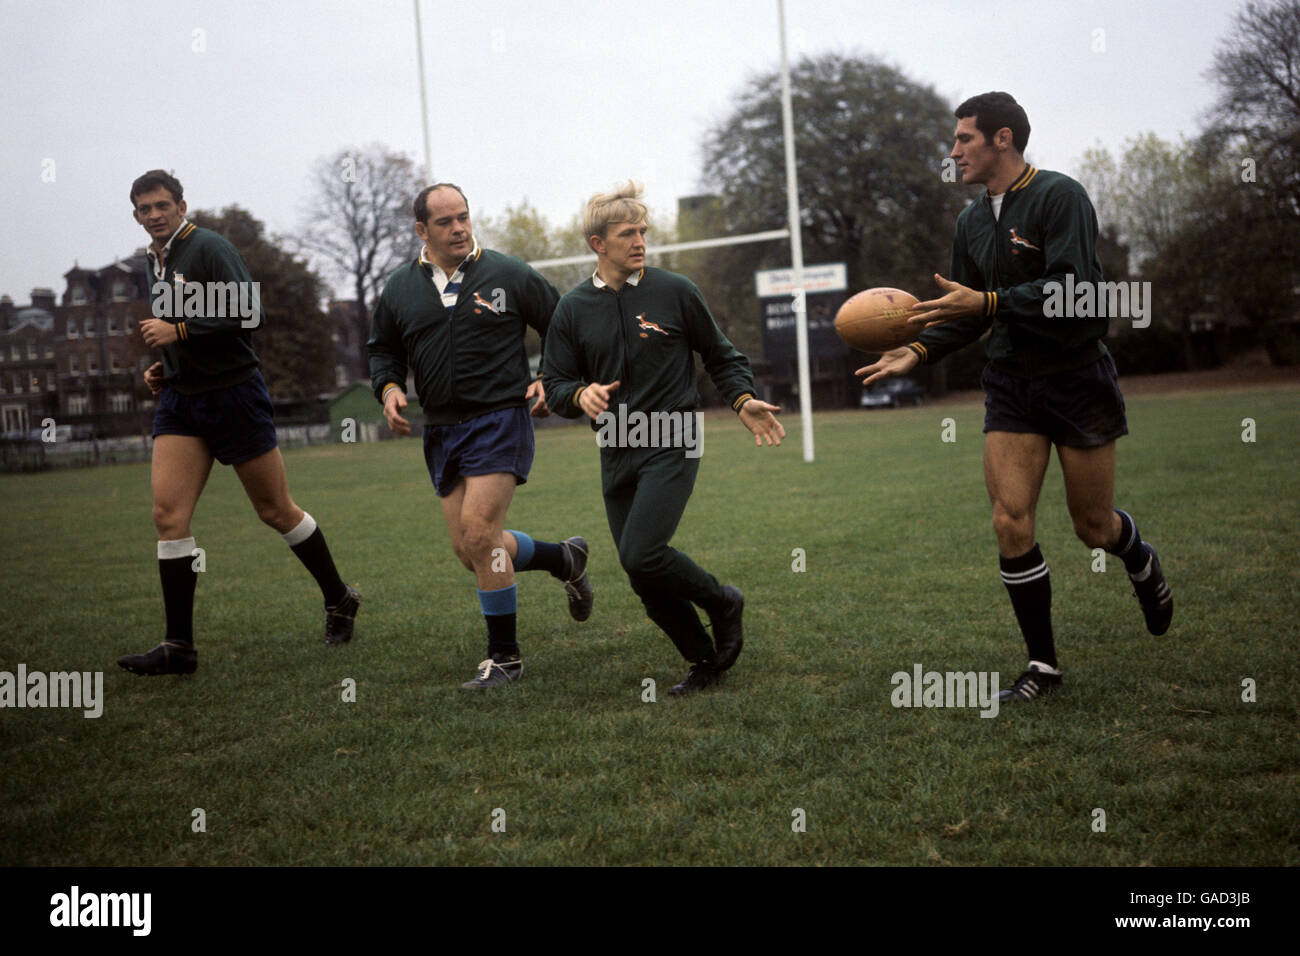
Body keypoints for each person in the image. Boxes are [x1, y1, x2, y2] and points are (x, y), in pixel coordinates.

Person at [858, 92, 1173, 703]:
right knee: (1010, 520)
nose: (953, 152)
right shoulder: (970, 222)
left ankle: (1138, 556)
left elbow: (1078, 292)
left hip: (1076, 376)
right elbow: (965, 312)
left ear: (1003, 138)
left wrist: (992, 303)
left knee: (1091, 526)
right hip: (1010, 383)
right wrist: (916, 351)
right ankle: (1044, 667)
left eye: (963, 140)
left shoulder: (1060, 196)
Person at [542, 182, 784, 695]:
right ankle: (703, 662)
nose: (639, 242)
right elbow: (556, 383)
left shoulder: (675, 290)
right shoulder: (572, 308)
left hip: (673, 436)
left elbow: (721, 355)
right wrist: (578, 394)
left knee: (642, 554)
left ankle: (723, 601)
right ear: (596, 244)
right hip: (615, 447)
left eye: (642, 232)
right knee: (641, 575)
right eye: (626, 234)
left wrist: (742, 400)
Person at [118, 170, 359, 677]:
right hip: (182, 401)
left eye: (163, 205)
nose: (155, 215)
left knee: (274, 510)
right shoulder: (151, 259)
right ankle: (178, 647)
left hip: (233, 395)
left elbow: (250, 313)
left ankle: (339, 598)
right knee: (168, 516)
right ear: (136, 215)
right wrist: (167, 364)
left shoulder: (208, 247)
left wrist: (177, 329)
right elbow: (185, 334)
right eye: (145, 209)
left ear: (182, 206)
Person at [368, 183, 592, 690]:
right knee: (469, 548)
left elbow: (563, 327)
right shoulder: (400, 288)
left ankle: (505, 658)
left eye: (464, 217)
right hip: (441, 427)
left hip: (500, 418)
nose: (459, 228)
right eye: (445, 222)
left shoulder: (509, 274)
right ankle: (564, 557)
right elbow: (382, 348)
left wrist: (548, 377)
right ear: (422, 230)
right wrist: (387, 388)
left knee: (479, 532)